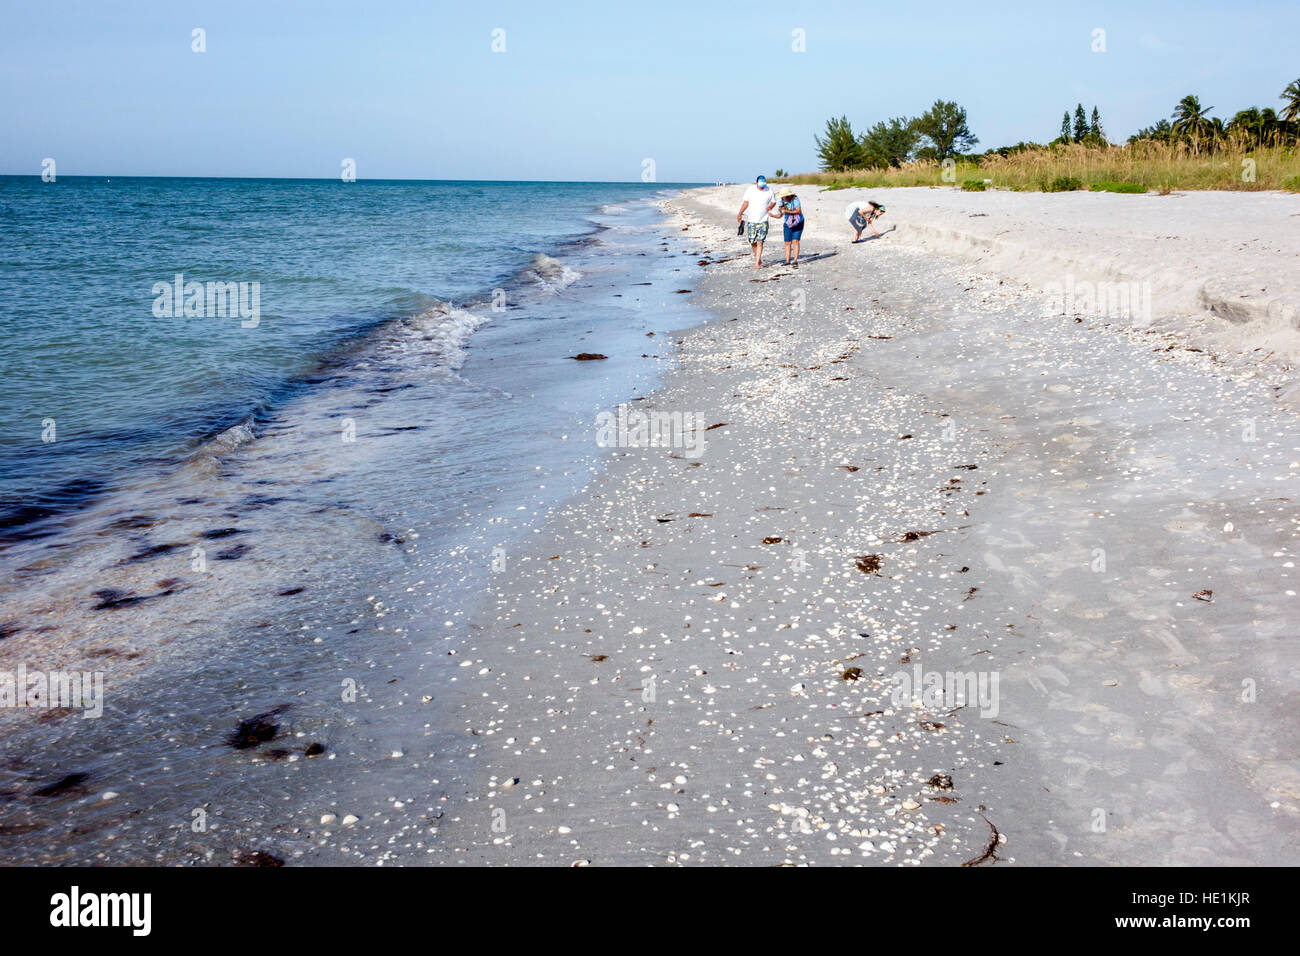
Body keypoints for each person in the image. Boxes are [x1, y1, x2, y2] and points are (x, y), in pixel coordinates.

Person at [736, 175, 776, 269]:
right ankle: (757, 257)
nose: (762, 187)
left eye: (763, 185)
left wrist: (770, 207)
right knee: (752, 241)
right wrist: (740, 213)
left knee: (760, 242)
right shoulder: (750, 190)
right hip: (752, 220)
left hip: (763, 220)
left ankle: (757, 263)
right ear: (756, 182)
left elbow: (774, 202)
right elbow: (746, 203)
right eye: (760, 185)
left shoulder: (769, 190)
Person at [772, 187, 804, 268]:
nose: (782, 198)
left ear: (788, 195)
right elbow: (780, 215)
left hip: (798, 222)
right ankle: (787, 260)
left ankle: (795, 260)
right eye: (781, 196)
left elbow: (798, 210)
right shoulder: (781, 203)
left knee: (795, 241)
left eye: (783, 196)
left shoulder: (795, 200)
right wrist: (772, 215)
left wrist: (786, 211)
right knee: (787, 242)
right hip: (787, 224)